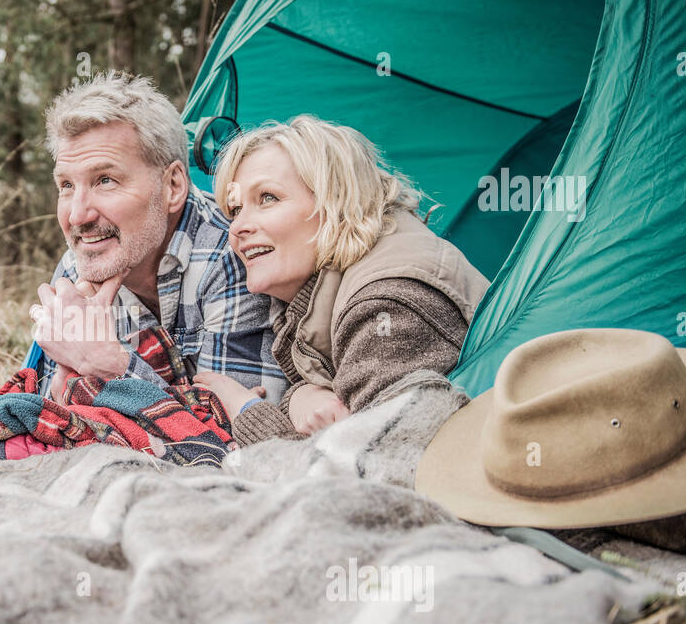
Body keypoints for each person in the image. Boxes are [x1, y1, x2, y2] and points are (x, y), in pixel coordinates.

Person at [192, 115, 489, 445]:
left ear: (337, 202)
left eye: (268, 198)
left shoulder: (387, 304)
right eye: (235, 209)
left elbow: (373, 476)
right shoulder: (319, 292)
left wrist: (246, 410)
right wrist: (302, 395)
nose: (237, 228)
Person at [29, 72, 286, 406]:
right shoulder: (76, 267)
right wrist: (62, 387)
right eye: (66, 186)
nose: (78, 216)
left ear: (173, 186)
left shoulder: (233, 253)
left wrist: (111, 367)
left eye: (105, 180)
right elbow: (55, 416)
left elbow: (235, 435)